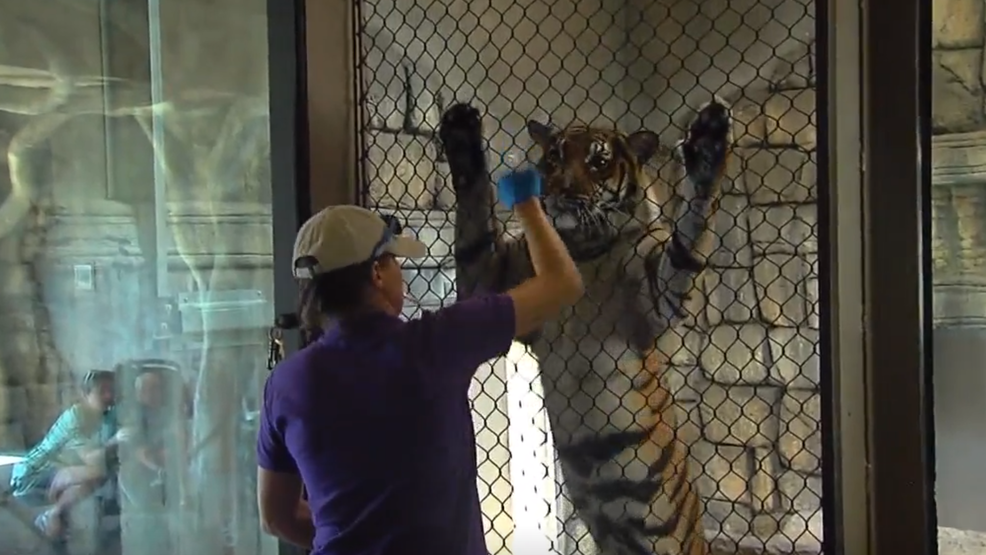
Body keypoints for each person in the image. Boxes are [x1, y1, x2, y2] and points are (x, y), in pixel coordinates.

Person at [255, 167, 584, 555]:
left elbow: (275, 516)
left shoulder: (287, 383)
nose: (401, 273)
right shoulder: (439, 341)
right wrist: (527, 204)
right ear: (377, 272)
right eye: (394, 260)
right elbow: (563, 284)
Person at [10, 369, 131, 538]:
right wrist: (115, 440)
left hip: (60, 469)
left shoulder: (105, 415)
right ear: (86, 393)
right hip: (32, 474)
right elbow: (91, 459)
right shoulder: (76, 417)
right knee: (98, 472)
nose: (108, 395)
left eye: (112, 390)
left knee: (100, 475)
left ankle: (55, 515)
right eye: (102, 391)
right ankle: (52, 515)